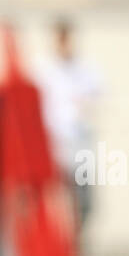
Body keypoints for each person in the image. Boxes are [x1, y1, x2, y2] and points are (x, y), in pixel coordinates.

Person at [38, 18, 102, 236]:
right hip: (54, 146)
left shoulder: (86, 69)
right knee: (56, 201)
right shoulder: (44, 71)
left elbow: (98, 100)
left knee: (84, 203)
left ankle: (75, 246)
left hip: (80, 145)